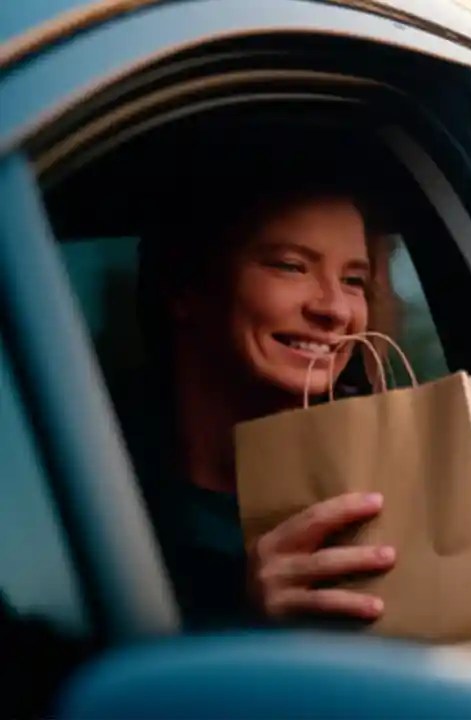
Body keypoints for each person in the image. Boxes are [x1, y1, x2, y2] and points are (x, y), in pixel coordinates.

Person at [129, 150, 400, 628]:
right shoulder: (96, 502)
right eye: (291, 266)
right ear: (185, 288)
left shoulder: (385, 487)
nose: (335, 309)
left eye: (354, 280)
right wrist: (243, 623)